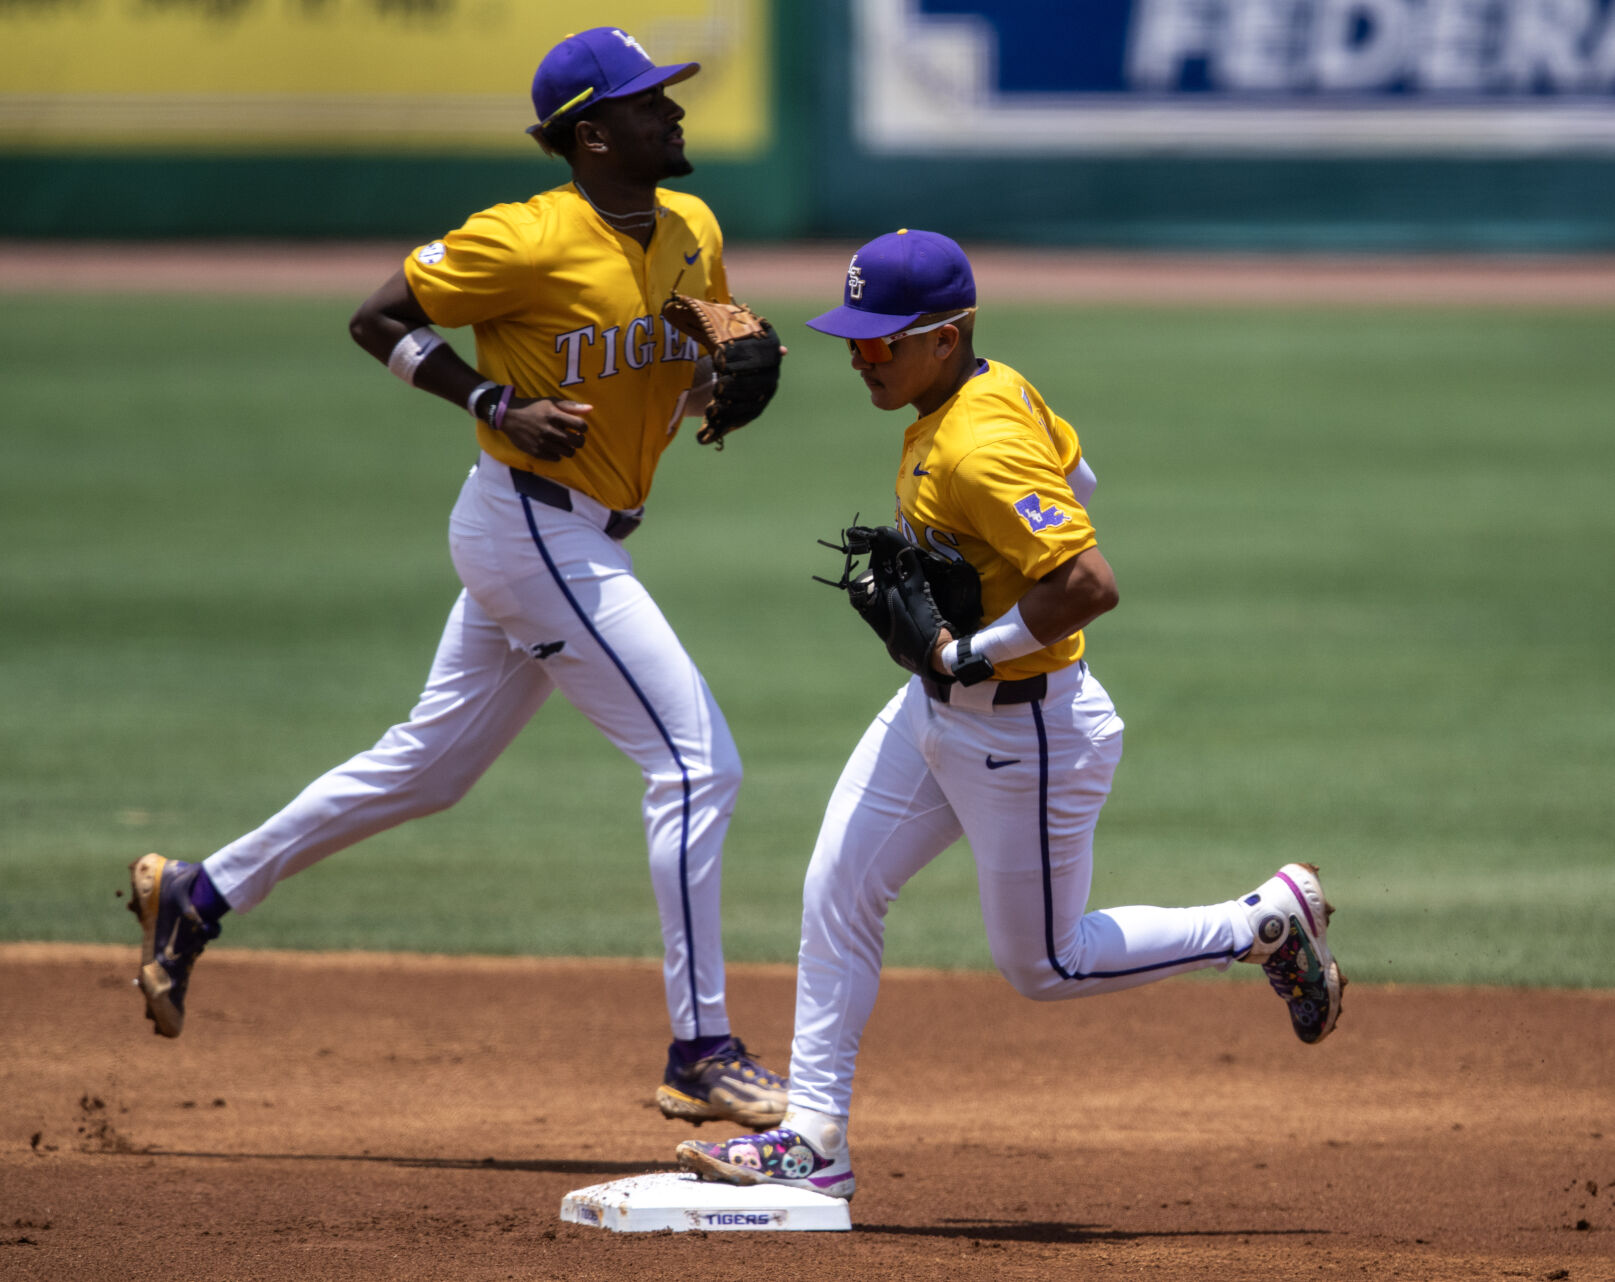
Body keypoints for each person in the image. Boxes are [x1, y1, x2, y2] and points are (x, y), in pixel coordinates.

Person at [127, 25, 788, 1131]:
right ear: (589, 135)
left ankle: (198, 893)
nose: (674, 113)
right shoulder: (520, 240)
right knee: (693, 764)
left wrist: (739, 350)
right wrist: (489, 400)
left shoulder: (691, 226)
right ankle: (700, 1049)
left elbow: (701, 316)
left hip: (582, 533)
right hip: (528, 525)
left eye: (669, 96)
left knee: (427, 769)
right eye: (649, 103)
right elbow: (374, 317)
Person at [676, 229, 1345, 1200]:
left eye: (883, 341)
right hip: (937, 715)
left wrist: (964, 647)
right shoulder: (983, 390)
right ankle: (812, 1142)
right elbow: (1074, 475)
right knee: (837, 888)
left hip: (1023, 733)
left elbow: (1088, 580)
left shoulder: (978, 441)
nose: (861, 355)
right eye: (855, 338)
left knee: (1046, 965)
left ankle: (1260, 924)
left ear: (945, 338)